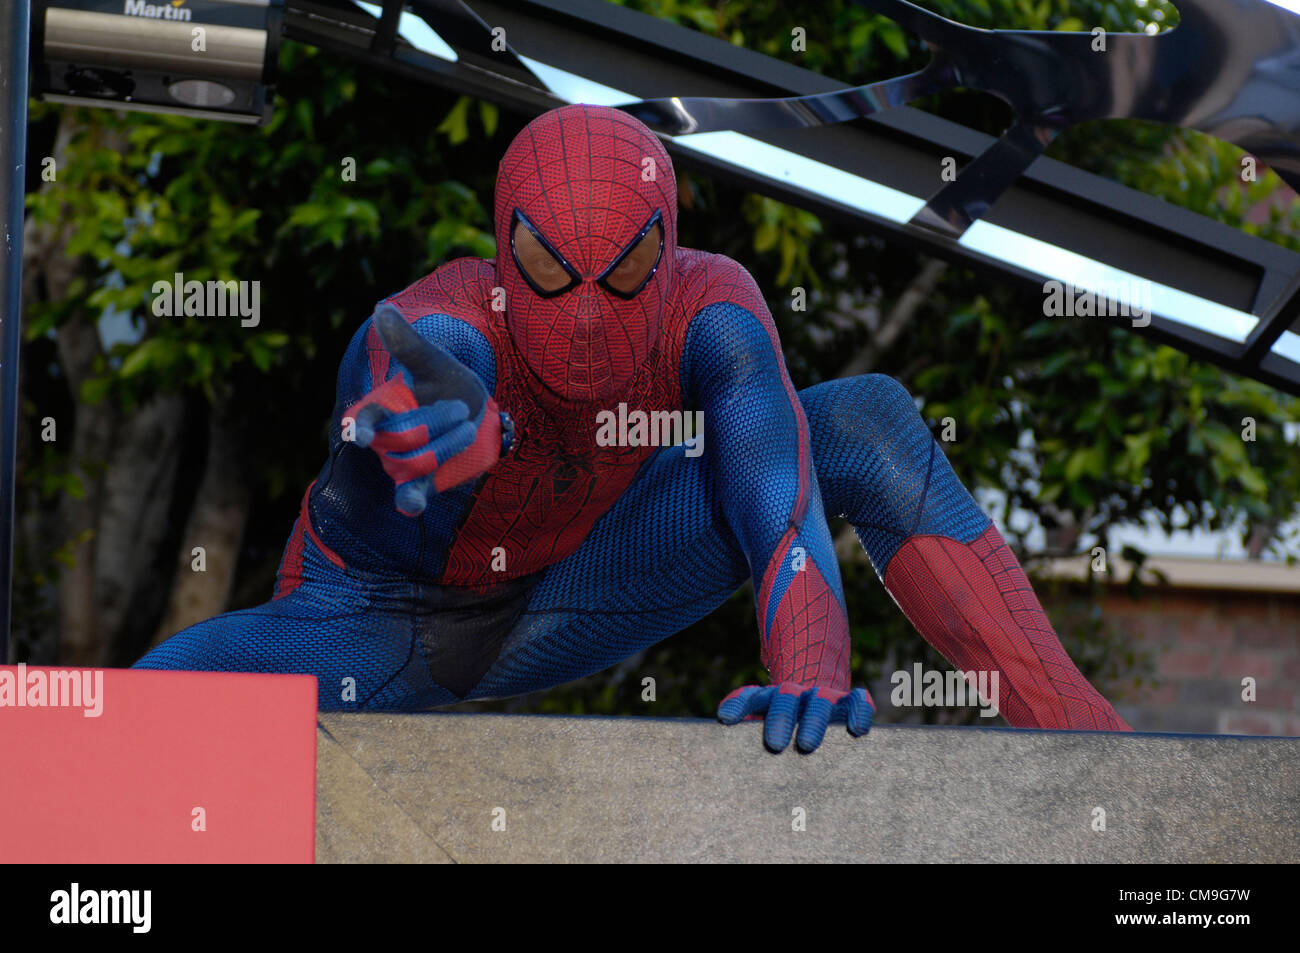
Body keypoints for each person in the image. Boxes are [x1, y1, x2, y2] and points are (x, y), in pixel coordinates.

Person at [135, 103, 1131, 751]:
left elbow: (773, 490)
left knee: (866, 419)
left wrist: (814, 666)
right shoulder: (457, 321)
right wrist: (403, 405)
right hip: (357, 620)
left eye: (620, 274)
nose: (582, 316)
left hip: (559, 599)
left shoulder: (710, 308)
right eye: (548, 272)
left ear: (667, 250)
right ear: (501, 253)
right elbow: (400, 352)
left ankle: (1104, 754)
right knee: (132, 708)